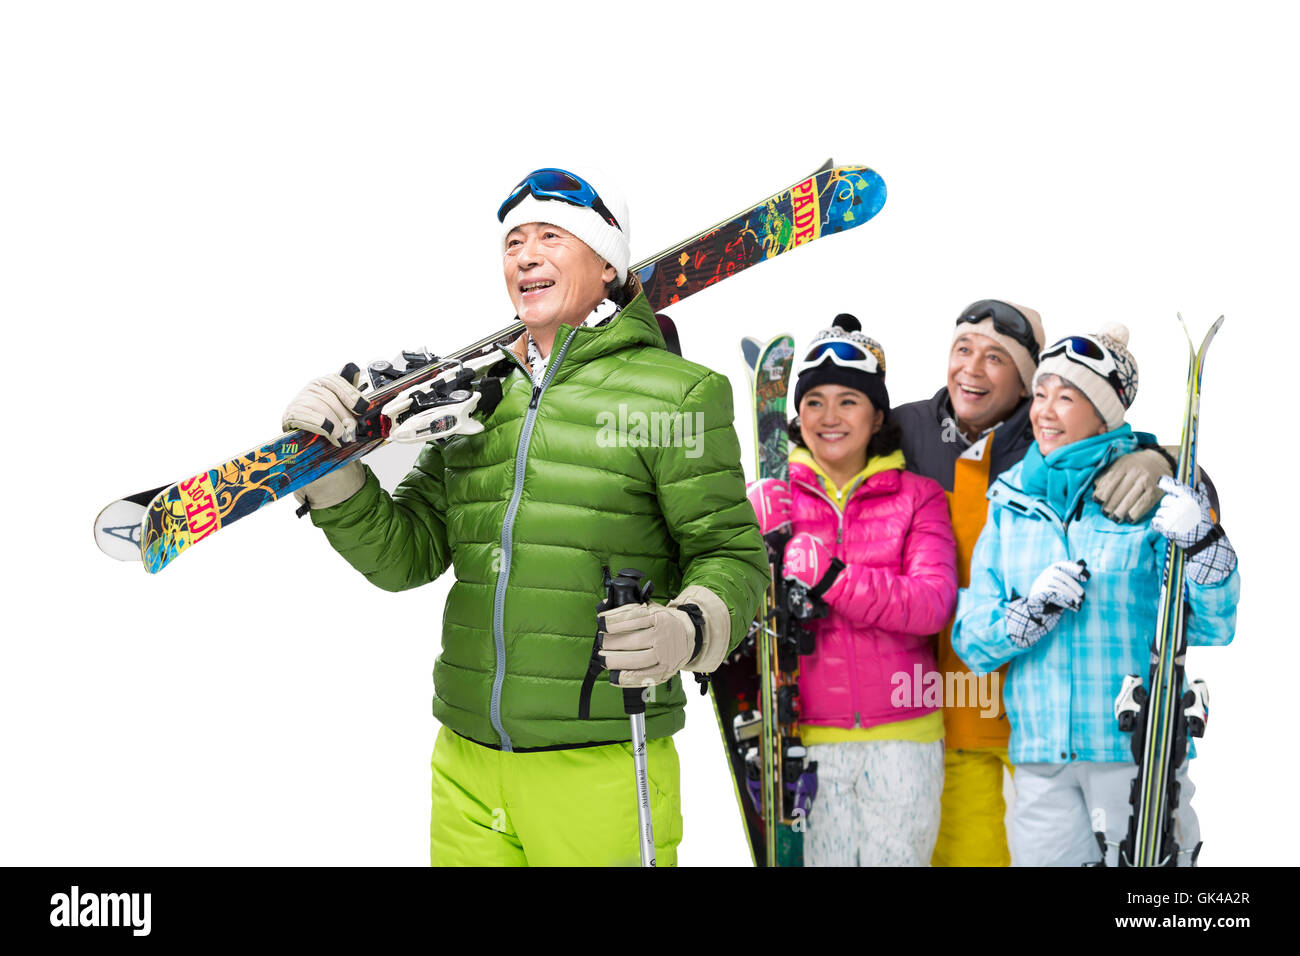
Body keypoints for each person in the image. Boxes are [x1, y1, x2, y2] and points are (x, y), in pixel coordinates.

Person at [280, 167, 768, 866]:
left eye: (550, 236)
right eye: (513, 242)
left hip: (600, 758)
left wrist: (686, 628)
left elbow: (732, 553)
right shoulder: (480, 400)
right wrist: (336, 479)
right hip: (468, 761)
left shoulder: (678, 395)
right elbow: (408, 555)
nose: (525, 255)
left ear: (606, 264)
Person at [892, 299, 1195, 867]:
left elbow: (1163, 488)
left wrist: (1168, 463)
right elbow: (834, 440)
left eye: (996, 358)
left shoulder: (1042, 451)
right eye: (963, 349)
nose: (972, 369)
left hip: (1052, 721)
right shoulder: (907, 427)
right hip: (951, 703)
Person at [950, 324, 1239, 866]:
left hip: (1133, 757)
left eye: (1066, 397)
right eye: (1039, 394)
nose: (1045, 411)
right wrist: (1029, 613)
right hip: (1041, 762)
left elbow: (1213, 624)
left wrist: (1202, 539)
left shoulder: (1151, 491)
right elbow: (972, 641)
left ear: (1105, 414)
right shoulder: (1010, 503)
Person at [747, 314, 957, 866]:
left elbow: (933, 604)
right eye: (814, 402)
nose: (829, 417)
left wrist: (833, 576)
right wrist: (750, 546)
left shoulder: (919, 498)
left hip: (904, 739)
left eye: (848, 401)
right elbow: (743, 611)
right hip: (807, 739)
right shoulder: (771, 502)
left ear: (877, 415)